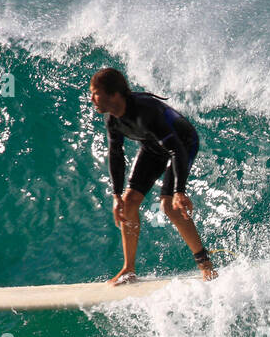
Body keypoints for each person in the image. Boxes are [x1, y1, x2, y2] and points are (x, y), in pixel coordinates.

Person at [89, 67, 217, 284]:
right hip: (152, 147)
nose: (91, 98)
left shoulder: (145, 111)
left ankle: (206, 267)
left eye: (96, 92)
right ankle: (128, 269)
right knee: (129, 203)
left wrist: (179, 191)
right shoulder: (113, 119)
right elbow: (116, 155)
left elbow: (177, 150)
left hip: (182, 144)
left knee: (169, 206)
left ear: (114, 95)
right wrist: (116, 195)